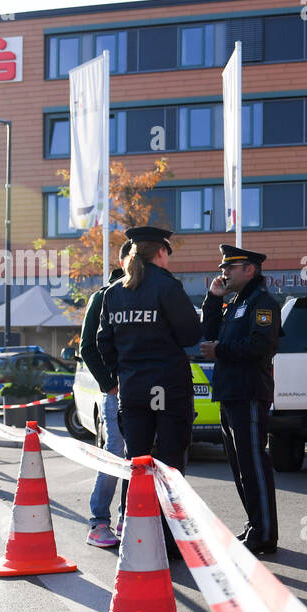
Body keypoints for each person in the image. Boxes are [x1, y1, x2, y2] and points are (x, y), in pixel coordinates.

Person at [96, 226, 202, 556]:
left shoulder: (113, 292)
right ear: (160, 253)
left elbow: (103, 342)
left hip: (133, 389)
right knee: (169, 464)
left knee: (137, 463)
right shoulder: (166, 286)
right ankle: (169, 543)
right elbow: (190, 334)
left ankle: (135, 532)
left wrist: (122, 371)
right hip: (168, 386)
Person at [200, 244, 282, 555]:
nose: (224, 273)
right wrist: (212, 299)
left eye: (230, 268)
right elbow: (208, 333)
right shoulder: (235, 304)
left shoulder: (262, 303)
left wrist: (220, 350)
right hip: (230, 393)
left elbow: (261, 346)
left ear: (249, 269)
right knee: (240, 466)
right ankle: (254, 525)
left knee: (254, 465)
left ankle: (264, 533)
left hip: (249, 393)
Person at [79, 243, 131, 548]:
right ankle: (98, 521)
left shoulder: (143, 292)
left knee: (134, 455)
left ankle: (126, 516)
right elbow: (87, 346)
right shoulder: (104, 295)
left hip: (138, 388)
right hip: (116, 391)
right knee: (114, 452)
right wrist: (109, 383)